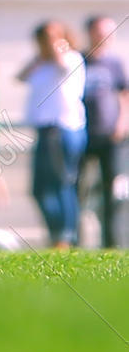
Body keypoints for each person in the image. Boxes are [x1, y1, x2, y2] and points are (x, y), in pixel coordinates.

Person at [17, 21, 87, 250]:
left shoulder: (70, 58)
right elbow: (21, 76)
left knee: (61, 184)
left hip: (62, 129)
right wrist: (40, 55)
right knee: (39, 188)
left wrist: (56, 43)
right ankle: (56, 234)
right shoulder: (42, 65)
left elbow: (62, 63)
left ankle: (65, 237)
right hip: (44, 131)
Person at [79, 14, 128, 248]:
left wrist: (122, 123)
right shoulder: (78, 60)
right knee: (78, 188)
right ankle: (75, 240)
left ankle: (111, 242)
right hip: (82, 134)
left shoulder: (114, 63)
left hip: (110, 136)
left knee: (112, 192)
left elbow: (124, 94)